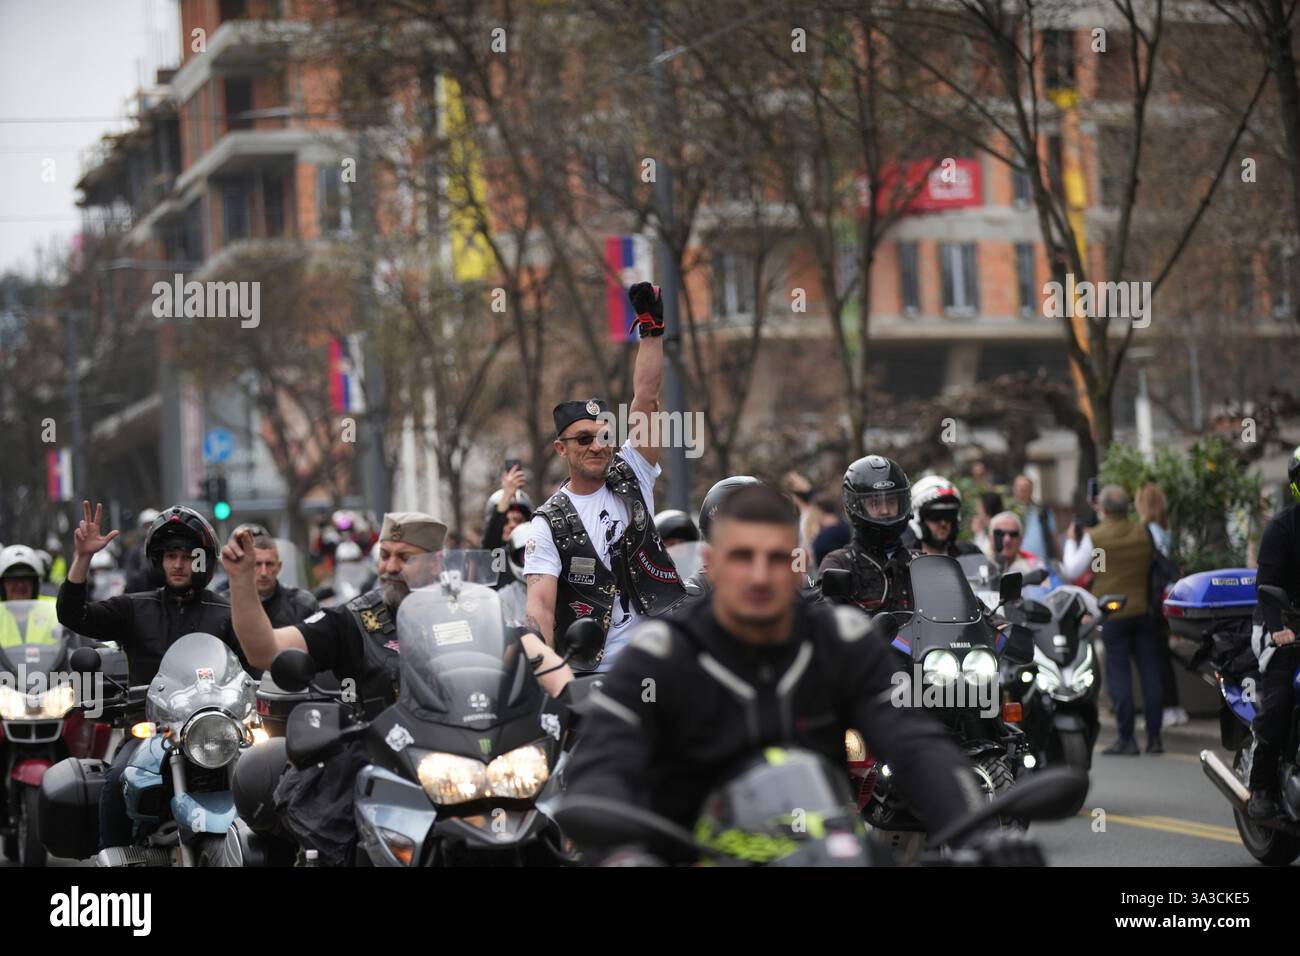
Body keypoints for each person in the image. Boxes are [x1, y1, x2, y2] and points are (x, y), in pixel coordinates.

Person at [563, 483, 983, 859]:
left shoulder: (842, 641)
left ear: (799, 563)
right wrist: (622, 853)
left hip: (823, 851)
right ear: (712, 561)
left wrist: (977, 833)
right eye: (743, 557)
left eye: (777, 557)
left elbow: (916, 743)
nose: (760, 576)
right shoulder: (662, 653)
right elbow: (603, 762)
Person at [523, 282, 686, 673]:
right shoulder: (547, 525)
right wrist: (545, 675)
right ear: (561, 448)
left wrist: (651, 332)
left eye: (604, 436)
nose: (597, 446)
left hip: (662, 660)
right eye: (583, 439)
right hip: (595, 676)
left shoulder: (633, 472)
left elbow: (646, 399)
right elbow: (541, 607)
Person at [56, 501, 237, 849]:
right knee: (116, 780)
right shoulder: (133, 607)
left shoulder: (227, 612)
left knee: (263, 772)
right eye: (171, 555)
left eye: (187, 555)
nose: (179, 563)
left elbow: (255, 666)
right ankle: (115, 860)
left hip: (214, 735)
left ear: (202, 560)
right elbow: (72, 614)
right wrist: (82, 558)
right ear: (159, 560)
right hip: (150, 735)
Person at [1060, 485, 1162, 755]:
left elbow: (1073, 570)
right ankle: (1155, 739)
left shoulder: (1097, 537)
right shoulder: (1143, 531)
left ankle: (1127, 739)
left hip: (1113, 614)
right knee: (1151, 675)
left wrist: (1072, 540)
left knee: (1120, 677)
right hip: (1144, 611)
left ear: (1102, 508)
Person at [1245, 447, 1300, 820]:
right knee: (1280, 700)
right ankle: (1262, 783)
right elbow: (1266, 586)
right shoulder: (1283, 527)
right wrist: (1280, 628)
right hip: (1281, 624)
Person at [818, 454, 915, 612]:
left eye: (891, 502)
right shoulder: (841, 564)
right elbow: (827, 623)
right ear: (855, 507)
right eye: (875, 503)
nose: (884, 510)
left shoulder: (920, 562)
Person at [1136, 483, 1187, 728]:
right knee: (1163, 654)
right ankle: (1174, 705)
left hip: (1153, 600)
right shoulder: (1167, 528)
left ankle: (1166, 708)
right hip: (1168, 597)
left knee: (1155, 658)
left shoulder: (1146, 531)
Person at [248, 534, 319, 628]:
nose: (263, 573)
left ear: (279, 567)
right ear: (247, 567)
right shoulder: (229, 604)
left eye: (269, 564)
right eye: (257, 564)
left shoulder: (303, 603)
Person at [901, 476, 982, 558]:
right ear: (918, 518)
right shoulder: (906, 558)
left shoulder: (970, 553)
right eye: (936, 516)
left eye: (949, 515)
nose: (943, 523)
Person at [482, 464, 533, 589]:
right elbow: (490, 543)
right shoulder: (491, 555)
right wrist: (506, 496)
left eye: (518, 520)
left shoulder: (532, 555)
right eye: (505, 520)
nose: (511, 525)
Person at [0, 545, 58, 646]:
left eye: (26, 578)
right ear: (2, 584)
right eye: (12, 579)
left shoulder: (55, 608)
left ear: (36, 584)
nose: (20, 585)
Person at [1012, 474, 1058, 562]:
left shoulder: (1043, 511)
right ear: (1014, 489)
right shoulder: (1008, 513)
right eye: (1020, 487)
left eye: (1026, 487)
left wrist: (1056, 560)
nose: (1023, 490)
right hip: (1016, 563)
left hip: (1042, 562)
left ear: (1031, 489)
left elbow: (1053, 538)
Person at [985, 511, 1044, 576]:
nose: (1007, 539)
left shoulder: (1033, 564)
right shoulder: (980, 563)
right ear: (990, 538)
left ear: (1021, 539)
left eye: (1013, 534)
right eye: (1000, 534)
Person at [121, 508, 161, 593]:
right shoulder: (135, 552)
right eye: (147, 525)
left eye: (153, 524)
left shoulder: (167, 547)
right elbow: (130, 578)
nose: (150, 528)